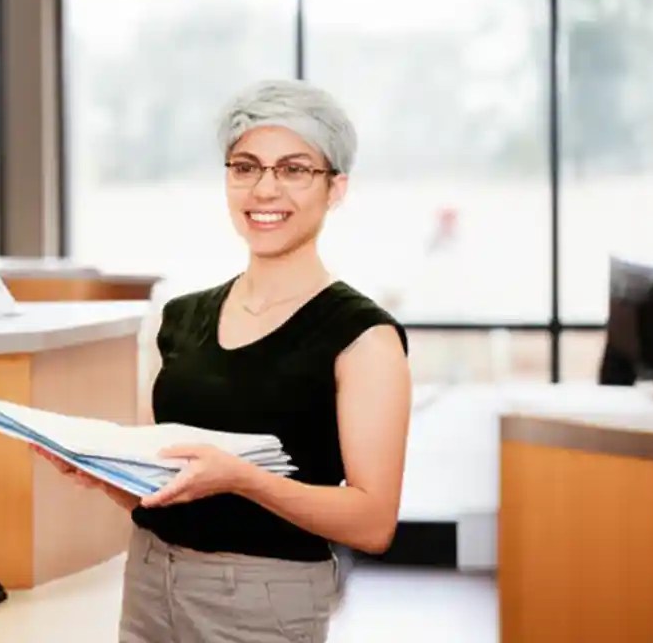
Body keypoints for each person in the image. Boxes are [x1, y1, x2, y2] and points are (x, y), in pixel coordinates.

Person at [35, 79, 412, 642]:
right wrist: (102, 469)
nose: (265, 189)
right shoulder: (180, 318)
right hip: (148, 576)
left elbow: (374, 522)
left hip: (263, 595)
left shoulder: (362, 336)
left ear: (335, 189)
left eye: (293, 169)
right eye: (245, 167)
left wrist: (242, 480)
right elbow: (162, 487)